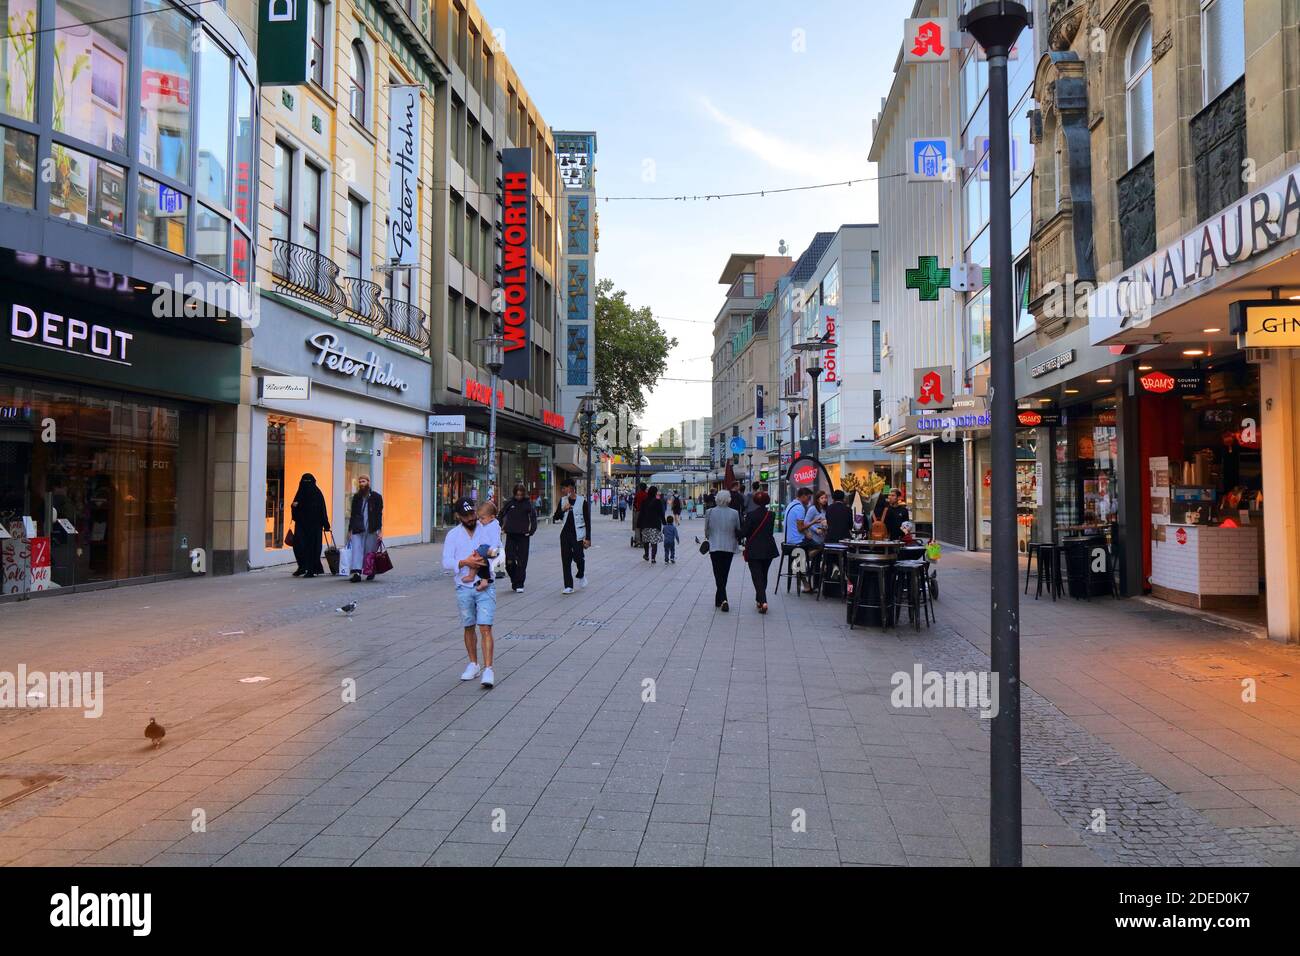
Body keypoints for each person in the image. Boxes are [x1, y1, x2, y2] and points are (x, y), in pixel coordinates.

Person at [442, 498, 498, 688]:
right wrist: (465, 562)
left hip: (485, 585)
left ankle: (488, 669)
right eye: (466, 515)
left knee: (485, 627)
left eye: (473, 513)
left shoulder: (486, 528)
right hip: (463, 587)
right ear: (458, 516)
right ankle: (473, 664)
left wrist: (487, 559)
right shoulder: (452, 535)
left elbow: (496, 550)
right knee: (468, 626)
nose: (471, 518)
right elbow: (446, 562)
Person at [705, 489, 742, 611]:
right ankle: (721, 599)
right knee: (724, 573)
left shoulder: (709, 512)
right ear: (729, 500)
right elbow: (738, 529)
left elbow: (706, 531)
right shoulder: (735, 513)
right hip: (729, 547)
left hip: (714, 546)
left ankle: (722, 599)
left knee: (717, 573)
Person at [741, 490, 778, 613]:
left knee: (756, 576)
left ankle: (763, 601)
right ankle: (759, 599)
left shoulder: (751, 515)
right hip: (769, 548)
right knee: (763, 574)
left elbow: (745, 532)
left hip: (754, 549)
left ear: (755, 501)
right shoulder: (771, 515)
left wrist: (736, 531)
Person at [554, 478, 591, 593]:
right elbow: (556, 517)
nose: (563, 490)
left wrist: (588, 538)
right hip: (565, 534)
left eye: (564, 488)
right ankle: (568, 586)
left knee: (579, 557)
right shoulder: (563, 500)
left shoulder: (582, 501)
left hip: (578, 534)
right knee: (566, 559)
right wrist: (563, 509)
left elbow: (587, 521)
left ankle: (581, 574)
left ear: (570, 488)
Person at [499, 484, 538, 593]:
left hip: (523, 536)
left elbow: (533, 518)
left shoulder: (528, 504)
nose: (519, 497)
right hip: (511, 535)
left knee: (522, 561)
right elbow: (501, 514)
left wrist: (531, 531)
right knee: (509, 561)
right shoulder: (510, 503)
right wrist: (500, 526)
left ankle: (520, 583)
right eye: (517, 495)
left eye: (521, 495)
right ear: (514, 494)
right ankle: (514, 579)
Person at [290, 473, 330, 578]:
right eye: (304, 482)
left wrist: (326, 524)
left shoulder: (317, 493)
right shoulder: (300, 493)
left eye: (308, 482)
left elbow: (322, 509)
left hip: (314, 526)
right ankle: (302, 567)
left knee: (312, 547)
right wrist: (294, 506)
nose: (306, 484)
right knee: (298, 545)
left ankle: (311, 569)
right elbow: (296, 506)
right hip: (301, 525)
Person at [345, 475, 384, 582]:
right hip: (357, 528)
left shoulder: (376, 497)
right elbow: (352, 515)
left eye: (363, 481)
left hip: (371, 528)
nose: (361, 484)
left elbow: (379, 514)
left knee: (369, 551)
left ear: (368, 482)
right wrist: (350, 530)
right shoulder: (356, 497)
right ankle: (357, 573)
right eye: (360, 482)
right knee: (356, 550)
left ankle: (370, 570)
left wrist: (380, 531)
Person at [783, 486, 818, 593]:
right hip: (797, 542)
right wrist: (814, 522)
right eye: (808, 498)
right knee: (821, 546)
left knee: (803, 552)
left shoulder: (791, 504)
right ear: (802, 496)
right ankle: (805, 562)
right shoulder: (800, 508)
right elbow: (800, 527)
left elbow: (798, 526)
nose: (809, 501)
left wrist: (807, 532)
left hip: (789, 540)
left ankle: (800, 566)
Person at [468, 501, 501, 590]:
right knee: (480, 560)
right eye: (479, 518)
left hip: (491, 548)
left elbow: (496, 539)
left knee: (476, 557)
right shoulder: (485, 524)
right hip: (485, 547)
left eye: (482, 518)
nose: (480, 520)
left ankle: (476, 577)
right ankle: (483, 579)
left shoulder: (494, 526)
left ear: (492, 517)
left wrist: (493, 549)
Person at [638, 484, 665, 563]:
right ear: (655, 493)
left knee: (646, 541)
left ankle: (646, 555)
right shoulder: (658, 501)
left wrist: (639, 523)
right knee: (654, 542)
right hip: (655, 524)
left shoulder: (644, 501)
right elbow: (661, 513)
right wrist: (664, 523)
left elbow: (641, 513)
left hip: (645, 523)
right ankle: (653, 558)